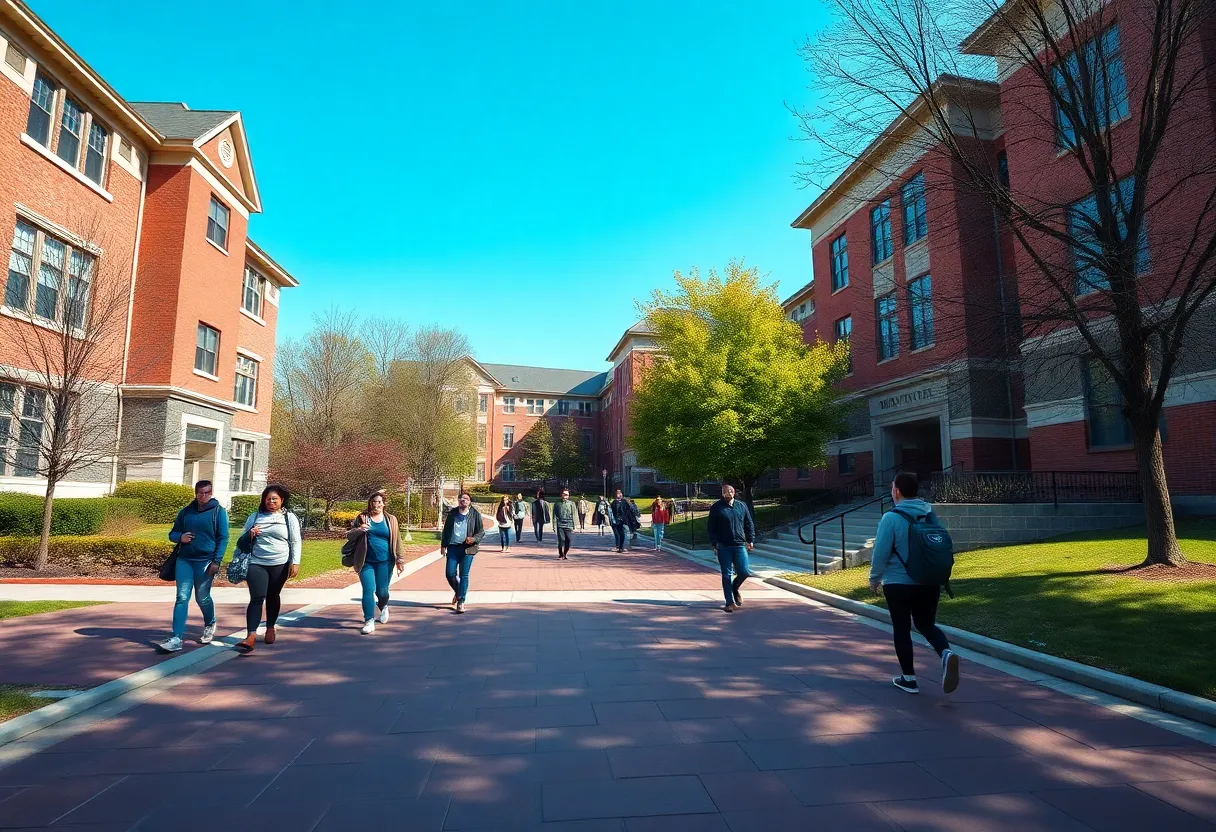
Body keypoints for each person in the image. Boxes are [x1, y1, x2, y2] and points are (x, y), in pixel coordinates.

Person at [870, 472, 960, 695]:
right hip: (929, 579)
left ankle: (909, 679)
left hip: (898, 582)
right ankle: (946, 652)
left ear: (897, 491)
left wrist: (874, 578)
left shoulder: (890, 518)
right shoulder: (929, 513)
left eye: (893, 487)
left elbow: (880, 551)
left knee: (902, 628)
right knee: (926, 624)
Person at [159, 480, 229, 653]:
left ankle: (210, 623)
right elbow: (172, 534)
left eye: (207, 493)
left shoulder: (218, 512)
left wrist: (216, 561)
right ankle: (176, 638)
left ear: (211, 493)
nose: (203, 496)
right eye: (200, 493)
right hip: (185, 560)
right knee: (182, 597)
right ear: (196, 493)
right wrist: (180, 537)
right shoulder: (186, 512)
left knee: (202, 597)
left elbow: (223, 538)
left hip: (206, 561)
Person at [235, 485, 302, 653]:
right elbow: (242, 539)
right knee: (256, 598)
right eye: (268, 499)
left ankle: (270, 627)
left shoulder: (289, 518)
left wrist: (295, 562)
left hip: (280, 563)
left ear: (282, 500)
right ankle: (251, 636)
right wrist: (250, 534)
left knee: (273, 595)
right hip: (256, 562)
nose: (271, 502)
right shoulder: (255, 516)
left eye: (274, 499)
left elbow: (295, 541)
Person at [345, 491, 405, 635]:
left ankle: (383, 606)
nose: (376, 504)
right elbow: (349, 535)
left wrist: (400, 559)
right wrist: (359, 530)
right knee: (368, 590)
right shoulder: (362, 518)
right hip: (365, 561)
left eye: (379, 502)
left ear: (383, 504)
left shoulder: (391, 520)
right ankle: (369, 620)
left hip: (386, 561)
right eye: (373, 502)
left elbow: (397, 540)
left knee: (382, 591)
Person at [706, 484, 754, 613]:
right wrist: (714, 544)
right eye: (725, 492)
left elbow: (748, 523)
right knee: (726, 574)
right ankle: (729, 602)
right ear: (722, 493)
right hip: (723, 546)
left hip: (739, 545)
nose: (728, 493)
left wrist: (750, 539)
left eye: (730, 491)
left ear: (734, 492)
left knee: (744, 572)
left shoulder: (741, 506)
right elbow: (711, 528)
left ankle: (735, 587)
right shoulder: (717, 507)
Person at [441, 491, 484, 614]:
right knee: (450, 574)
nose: (463, 500)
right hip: (453, 548)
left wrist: (473, 539)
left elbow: (481, 532)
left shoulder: (475, 514)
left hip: (467, 549)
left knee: (464, 575)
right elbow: (446, 530)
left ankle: (461, 601)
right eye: (461, 498)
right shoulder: (452, 513)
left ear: (469, 501)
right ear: (458, 501)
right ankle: (459, 592)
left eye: (466, 498)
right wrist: (443, 545)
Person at [552, 488, 578, 560]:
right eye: (564, 494)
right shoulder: (557, 504)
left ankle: (565, 554)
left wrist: (575, 526)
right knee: (561, 540)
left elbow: (574, 515)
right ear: (562, 495)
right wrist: (554, 525)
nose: (566, 496)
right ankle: (561, 554)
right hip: (560, 524)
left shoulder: (571, 504)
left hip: (569, 524)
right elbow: (554, 515)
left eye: (567, 495)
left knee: (568, 540)